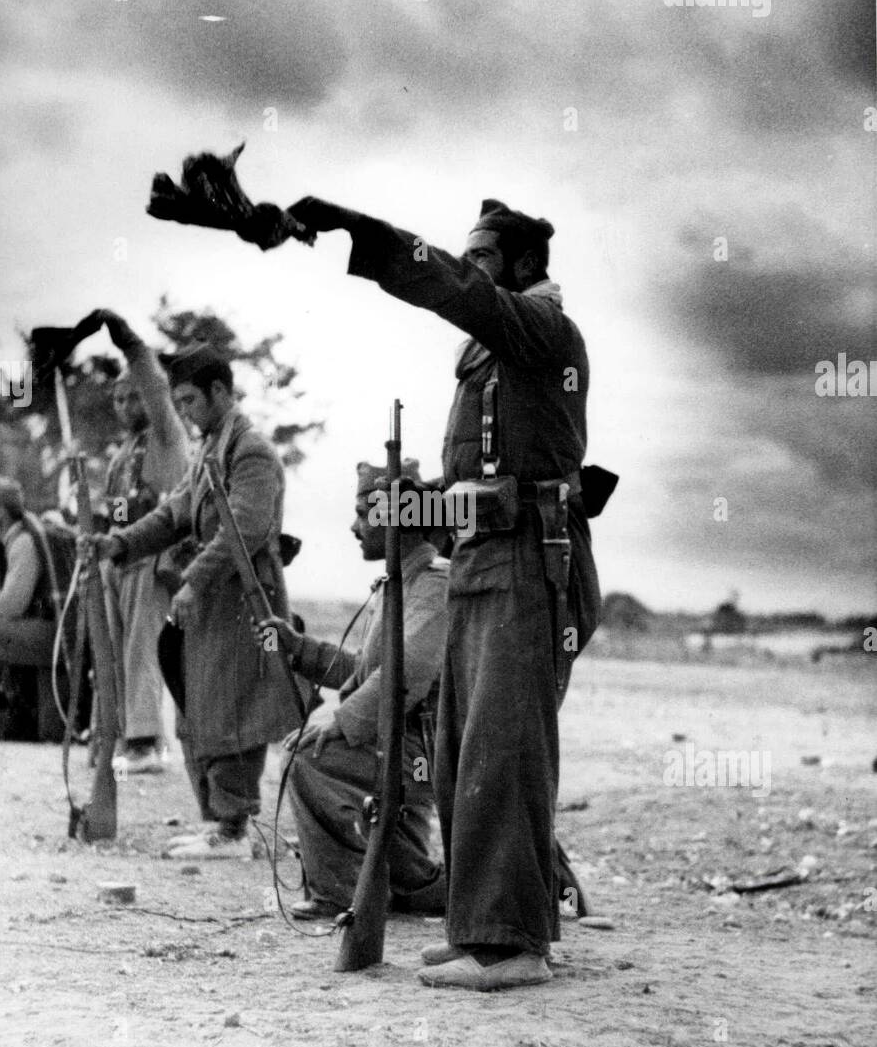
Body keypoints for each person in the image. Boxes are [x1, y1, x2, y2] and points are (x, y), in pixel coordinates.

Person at [286, 194, 602, 989]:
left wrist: (365, 232)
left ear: (527, 268)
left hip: (533, 560)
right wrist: (408, 500)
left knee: (506, 749)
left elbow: (456, 289)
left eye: (486, 258)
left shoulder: (542, 330)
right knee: (468, 749)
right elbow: (466, 488)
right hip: (479, 563)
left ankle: (512, 946)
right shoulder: (491, 355)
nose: (472, 272)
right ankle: (480, 926)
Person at [87, 344, 302, 857]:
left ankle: (233, 828)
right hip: (210, 601)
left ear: (220, 392)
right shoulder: (209, 449)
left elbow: (241, 533)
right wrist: (119, 543)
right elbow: (174, 513)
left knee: (233, 710)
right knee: (196, 708)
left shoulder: (250, 452)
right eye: (177, 402)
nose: (183, 412)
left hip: (244, 600)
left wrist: (192, 583)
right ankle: (219, 822)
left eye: (191, 401)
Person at [255, 459, 448, 920]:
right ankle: (413, 882)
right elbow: (366, 672)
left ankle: (344, 894)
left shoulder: (434, 586)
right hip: (400, 745)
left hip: (426, 758)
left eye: (365, 512)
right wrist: (299, 649)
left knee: (307, 758)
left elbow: (405, 675)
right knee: (318, 755)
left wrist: (339, 722)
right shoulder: (400, 584)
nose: (354, 525)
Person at [83, 309, 190, 774]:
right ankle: (127, 737)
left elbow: (155, 383)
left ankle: (146, 743)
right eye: (119, 399)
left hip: (153, 560)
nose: (127, 406)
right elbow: (117, 514)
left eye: (133, 397)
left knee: (140, 650)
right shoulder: (121, 455)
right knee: (115, 650)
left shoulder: (167, 439)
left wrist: (126, 340)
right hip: (121, 562)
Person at [0, 477, 59, 739]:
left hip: (47, 631)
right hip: (36, 628)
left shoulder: (22, 542)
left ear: (0, 511)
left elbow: (14, 601)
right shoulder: (10, 540)